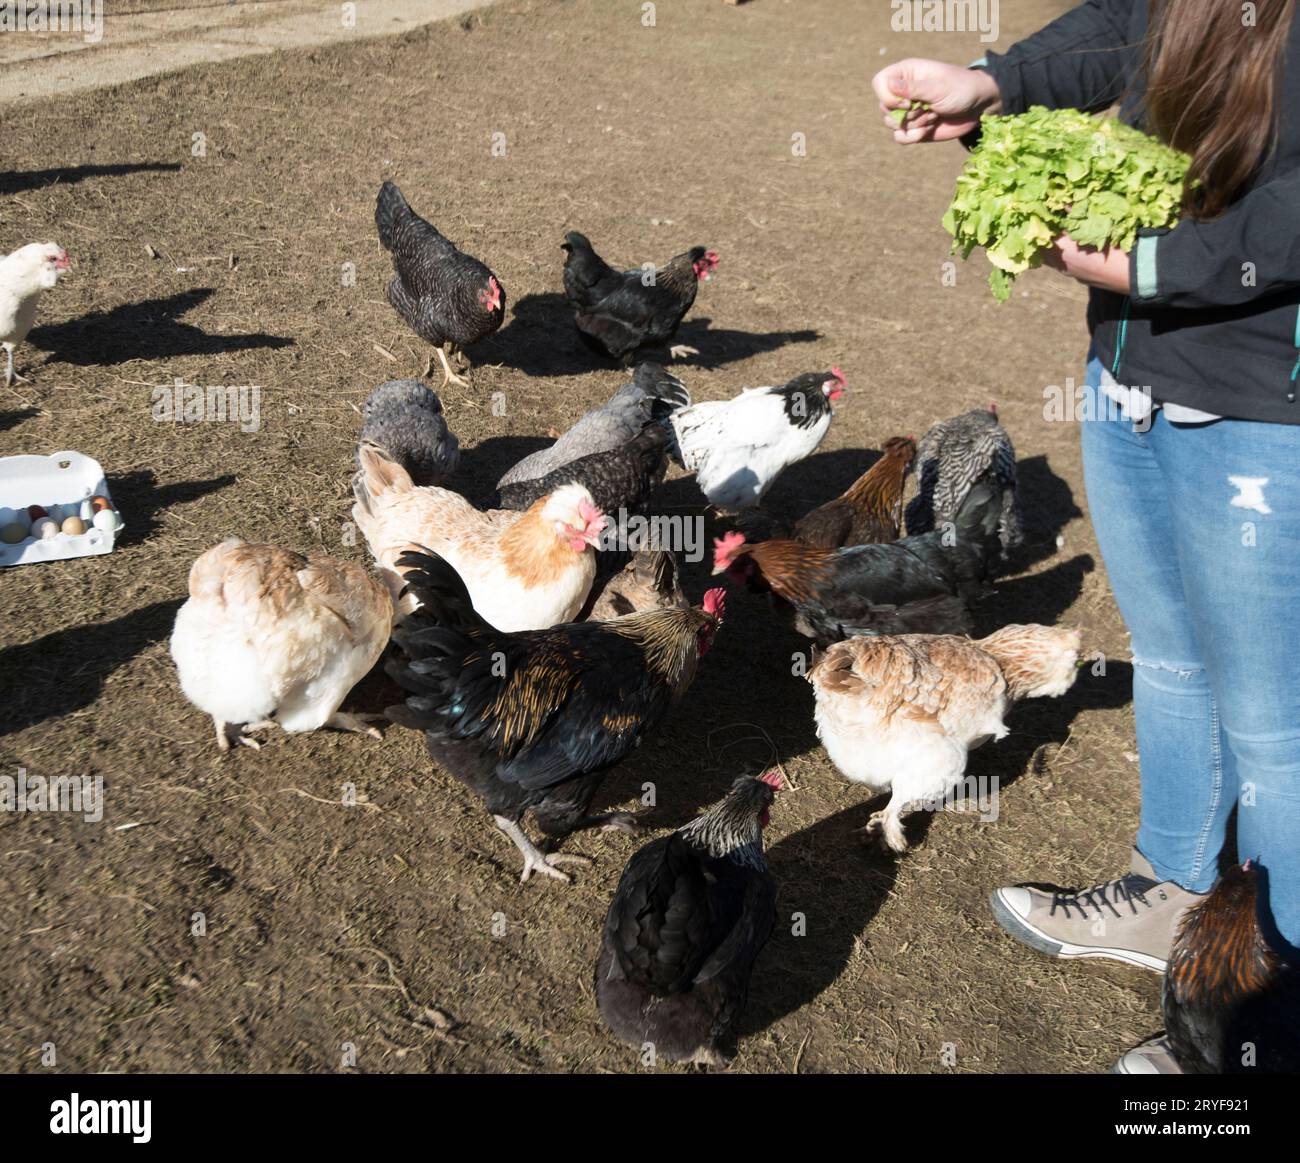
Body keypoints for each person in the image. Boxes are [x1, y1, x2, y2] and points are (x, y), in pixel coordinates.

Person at [873, 0, 1300, 1074]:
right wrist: (996, 81)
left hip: (1265, 407)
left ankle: (1267, 1018)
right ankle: (1173, 896)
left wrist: (1156, 269)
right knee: (1171, 661)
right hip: (1132, 381)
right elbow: (1137, 19)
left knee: (1277, 734)